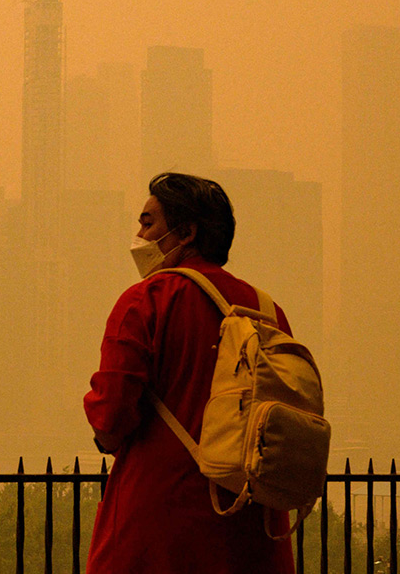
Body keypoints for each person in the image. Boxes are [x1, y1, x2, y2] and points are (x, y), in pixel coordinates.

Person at [83, 172, 295, 574]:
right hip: (253, 530)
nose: (139, 236)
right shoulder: (267, 311)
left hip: (160, 527)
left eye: (148, 224)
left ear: (185, 233)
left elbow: (110, 418)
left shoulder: (147, 300)